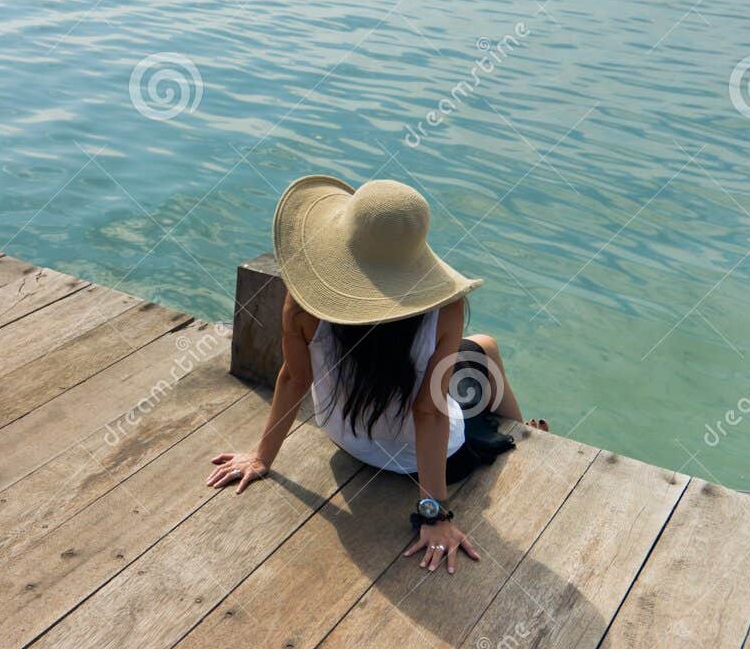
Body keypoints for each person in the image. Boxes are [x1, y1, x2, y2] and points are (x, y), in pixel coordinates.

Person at [206, 175, 547, 576]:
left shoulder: (303, 303)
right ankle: (524, 432)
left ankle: (518, 429)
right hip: (430, 464)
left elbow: (293, 379)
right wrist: (433, 515)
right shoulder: (446, 311)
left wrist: (262, 457)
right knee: (485, 346)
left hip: (347, 440)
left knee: (467, 361)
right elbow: (429, 414)